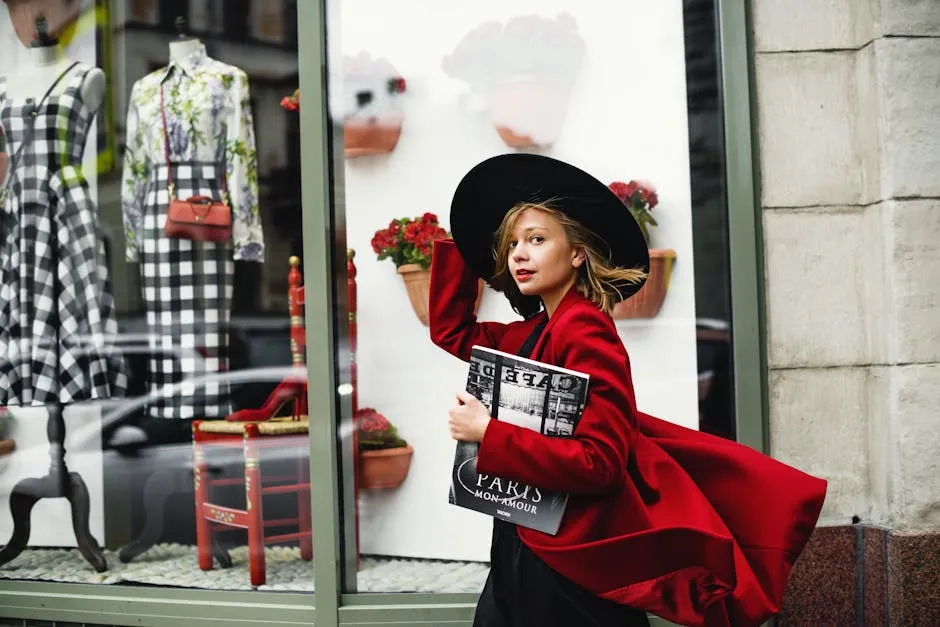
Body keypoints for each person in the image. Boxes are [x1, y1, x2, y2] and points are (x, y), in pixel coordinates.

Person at [429, 154, 827, 627]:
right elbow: (451, 330)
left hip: (568, 564)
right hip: (522, 540)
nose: (519, 253)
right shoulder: (531, 333)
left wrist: (488, 433)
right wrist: (466, 240)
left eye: (536, 240)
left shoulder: (586, 331)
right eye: (513, 243)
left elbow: (600, 464)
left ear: (577, 253)